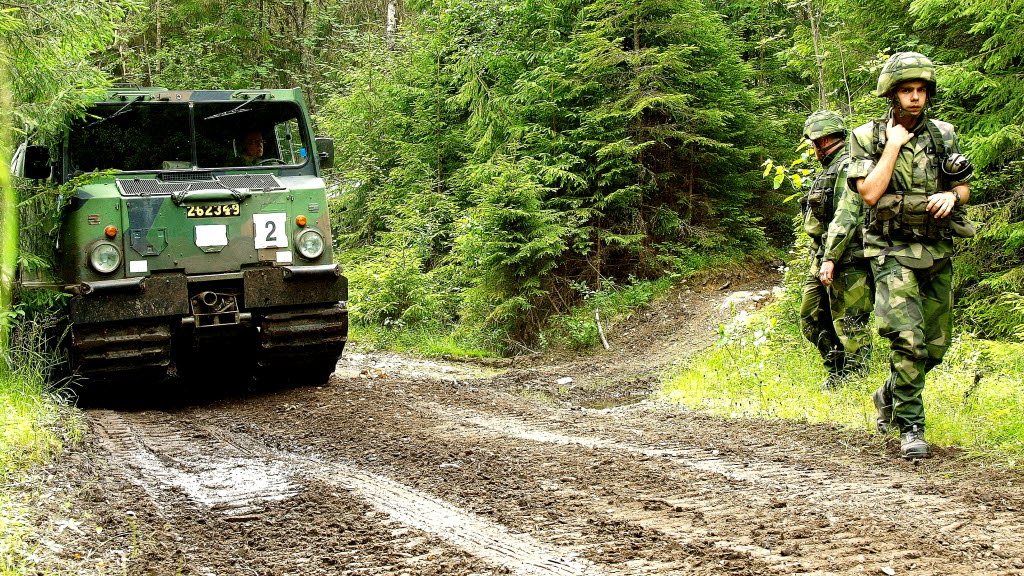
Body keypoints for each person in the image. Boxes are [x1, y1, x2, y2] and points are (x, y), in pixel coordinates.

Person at [847, 52, 975, 459]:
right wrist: (893, 146)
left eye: (921, 90)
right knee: (907, 340)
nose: (915, 97)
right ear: (892, 94)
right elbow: (870, 193)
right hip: (890, 250)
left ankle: (889, 394)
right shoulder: (867, 136)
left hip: (937, 248)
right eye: (907, 90)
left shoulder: (943, 134)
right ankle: (911, 427)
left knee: (935, 347)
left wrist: (952, 196)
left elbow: (963, 186)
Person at [799, 110, 868, 389]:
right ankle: (837, 371)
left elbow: (846, 215)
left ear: (823, 140)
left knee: (850, 322)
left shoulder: (847, 166)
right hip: (824, 255)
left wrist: (831, 257)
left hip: (847, 257)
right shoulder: (829, 168)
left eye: (814, 142)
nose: (813, 148)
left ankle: (857, 380)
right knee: (811, 316)